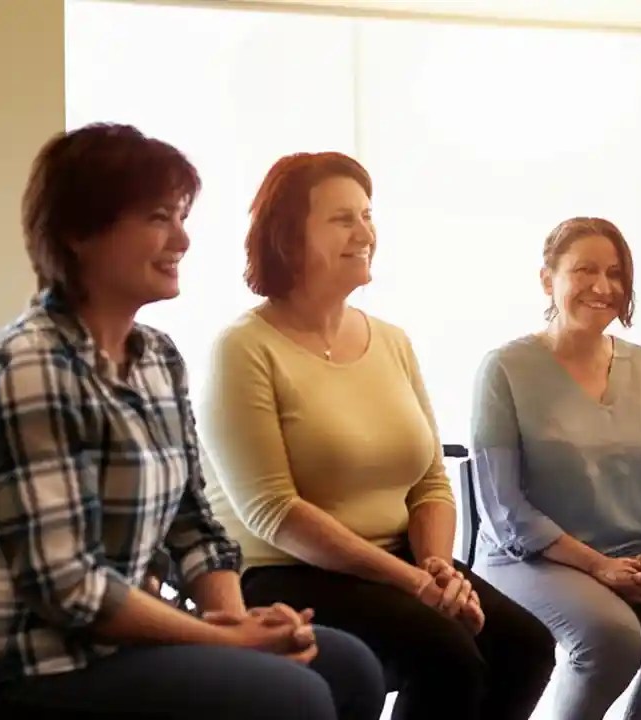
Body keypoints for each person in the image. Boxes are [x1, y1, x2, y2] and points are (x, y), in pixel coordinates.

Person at [0, 124, 385, 720]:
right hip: (48, 661)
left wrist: (232, 620)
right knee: (294, 696)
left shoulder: (157, 355)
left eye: (181, 217)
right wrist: (225, 641)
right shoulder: (31, 365)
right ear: (78, 233)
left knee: (349, 666)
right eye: (159, 218)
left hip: (129, 641)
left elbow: (192, 523)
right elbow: (67, 585)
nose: (181, 238)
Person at [198, 152, 555, 720]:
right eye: (343, 219)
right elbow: (272, 511)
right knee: (447, 656)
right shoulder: (243, 347)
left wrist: (437, 569)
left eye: (367, 216)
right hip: (284, 569)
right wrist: (413, 584)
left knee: (525, 647)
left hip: (398, 561)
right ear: (289, 234)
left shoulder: (392, 341)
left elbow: (430, 481)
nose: (365, 233)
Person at [471, 217, 641, 720]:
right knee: (612, 638)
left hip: (635, 552)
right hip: (532, 560)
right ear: (547, 279)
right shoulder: (504, 369)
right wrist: (598, 566)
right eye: (584, 270)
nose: (603, 286)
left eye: (615, 273)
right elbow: (505, 509)